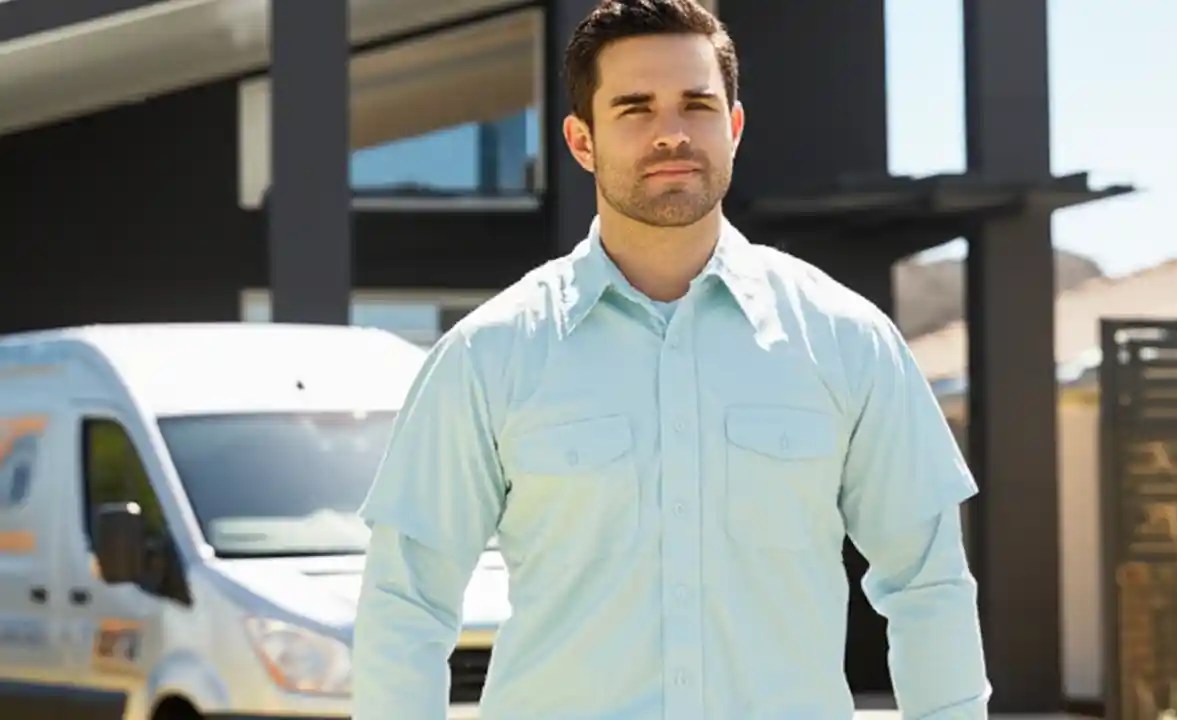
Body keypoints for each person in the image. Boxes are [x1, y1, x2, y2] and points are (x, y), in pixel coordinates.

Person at [352, 0, 992, 718]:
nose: (672, 134)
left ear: (735, 127)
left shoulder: (847, 341)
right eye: (635, 109)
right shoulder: (488, 355)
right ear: (581, 140)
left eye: (697, 104)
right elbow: (405, 605)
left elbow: (928, 585)